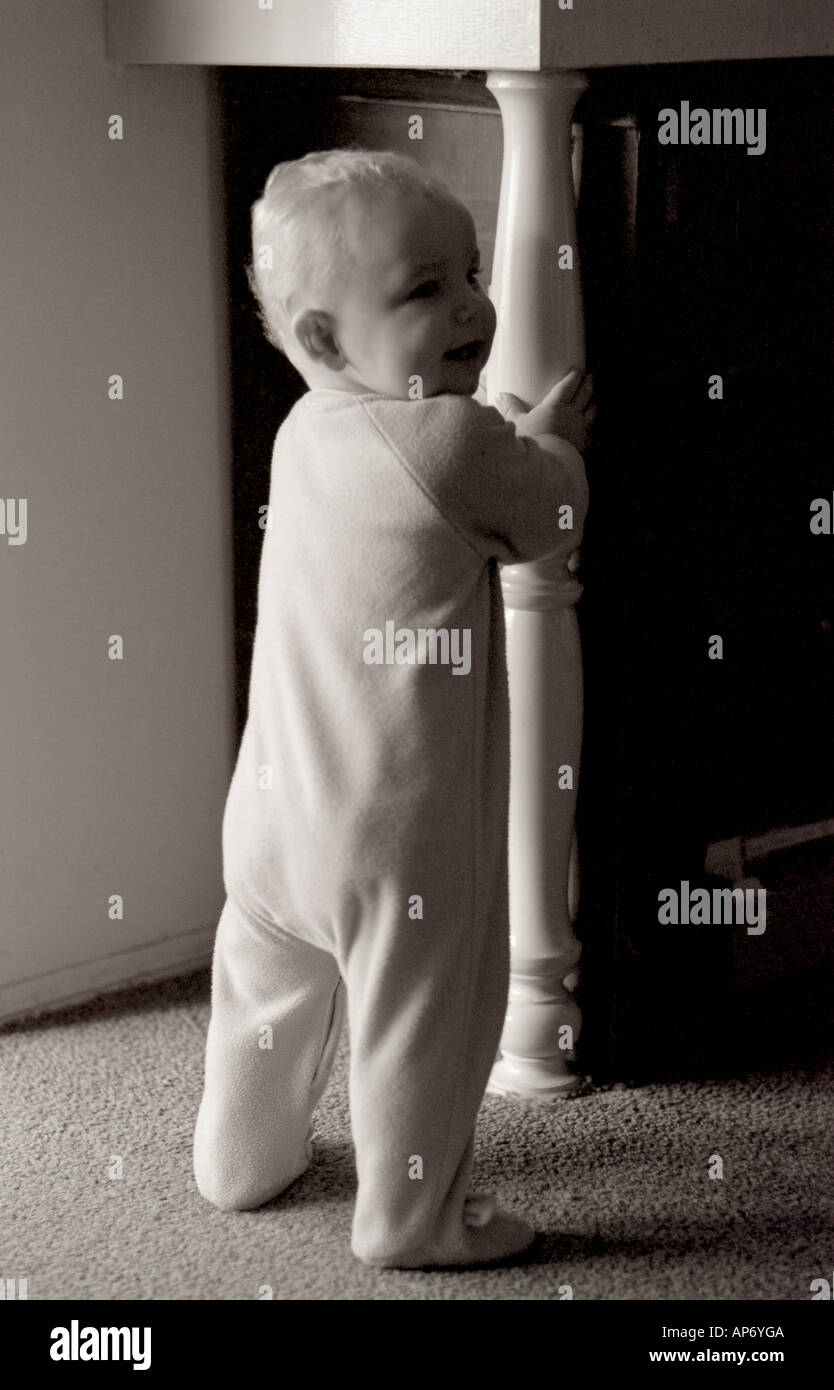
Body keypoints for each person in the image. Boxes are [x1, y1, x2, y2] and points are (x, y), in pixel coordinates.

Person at [193, 149, 593, 1268]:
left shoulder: (304, 431)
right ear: (325, 339)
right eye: (427, 291)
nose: (472, 303)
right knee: (424, 1020)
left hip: (270, 819)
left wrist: (488, 432)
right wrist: (552, 439)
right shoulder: (461, 443)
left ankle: (242, 1157)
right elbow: (546, 512)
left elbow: (426, 476)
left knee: (266, 997)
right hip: (397, 840)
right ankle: (411, 1217)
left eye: (469, 271)